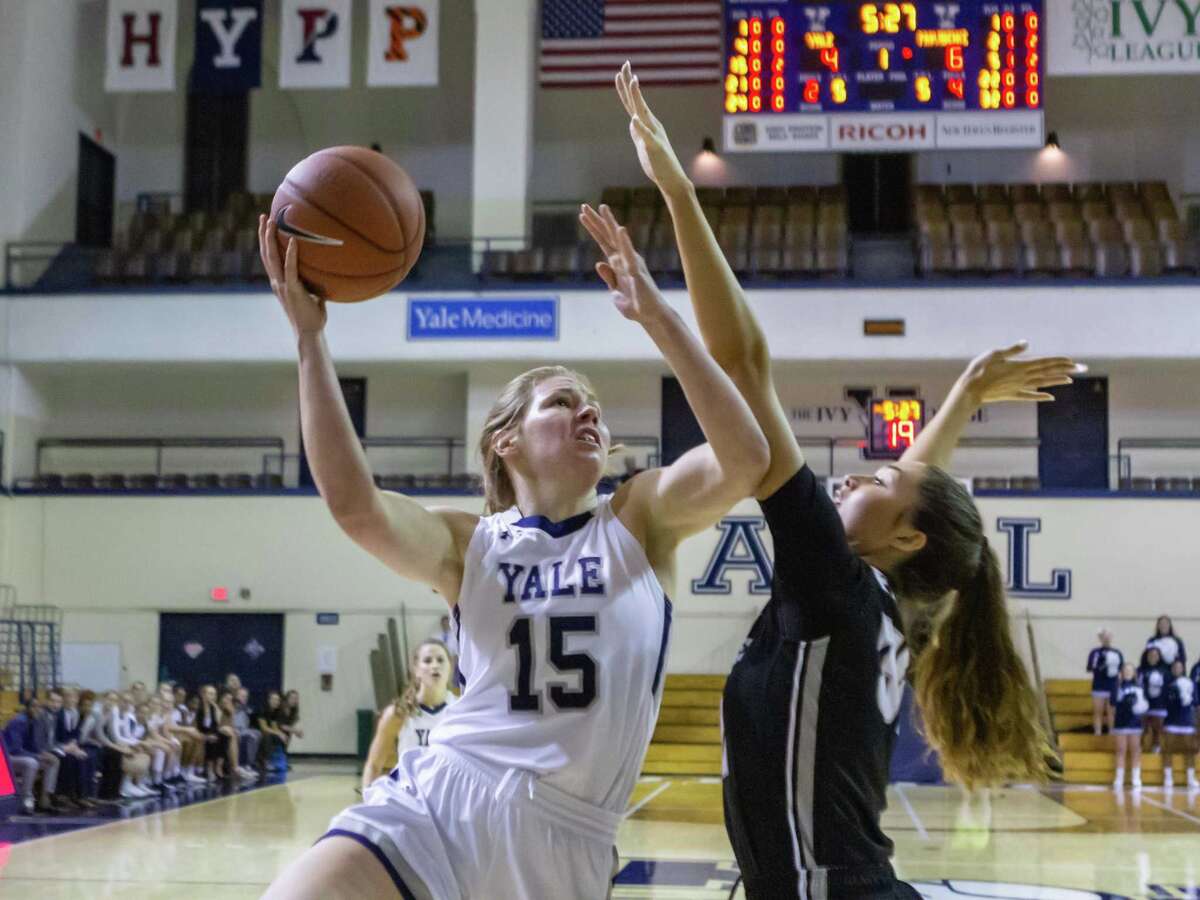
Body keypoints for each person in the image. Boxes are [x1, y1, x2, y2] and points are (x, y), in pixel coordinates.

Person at [600, 64, 1073, 899]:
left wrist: (677, 192)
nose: (855, 473)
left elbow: (745, 366)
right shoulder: (886, 605)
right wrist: (960, 395)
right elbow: (919, 493)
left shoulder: (839, 587)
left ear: (905, 539)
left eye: (877, 474)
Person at [257, 173, 769, 900]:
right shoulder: (470, 546)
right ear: (505, 440)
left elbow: (748, 459)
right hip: (441, 799)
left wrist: (657, 318)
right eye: (564, 402)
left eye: (594, 405)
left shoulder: (639, 519)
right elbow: (356, 508)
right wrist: (311, 341)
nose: (589, 413)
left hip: (565, 841)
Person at [361, 640, 456, 791]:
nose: (435, 665)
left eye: (440, 660)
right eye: (427, 661)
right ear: (416, 669)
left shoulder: (461, 711)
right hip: (410, 796)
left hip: (448, 797)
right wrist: (369, 800)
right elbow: (374, 765)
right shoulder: (398, 713)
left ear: (450, 667)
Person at [3, 698, 59, 814]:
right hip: (7, 758)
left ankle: (45, 798)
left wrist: (43, 753)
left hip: (22, 755)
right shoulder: (19, 721)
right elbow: (15, 749)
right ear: (27, 708)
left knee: (53, 761)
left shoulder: (34, 721)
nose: (37, 709)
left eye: (39, 707)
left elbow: (33, 745)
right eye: (34, 706)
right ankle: (25, 801)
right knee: (31, 763)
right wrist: (38, 756)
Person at [51, 687, 96, 808]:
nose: (71, 700)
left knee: (86, 756)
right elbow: (53, 737)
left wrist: (74, 746)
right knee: (69, 759)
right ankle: (64, 795)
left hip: (70, 746)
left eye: (74, 697)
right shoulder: (56, 714)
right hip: (56, 746)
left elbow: (75, 734)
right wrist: (67, 747)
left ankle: (83, 795)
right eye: (68, 696)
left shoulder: (76, 712)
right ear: (63, 698)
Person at [1112, 663, 1149, 790]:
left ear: (1134, 673)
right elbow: (1113, 702)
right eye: (1125, 670)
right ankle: (1119, 778)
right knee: (1121, 750)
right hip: (1121, 722)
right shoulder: (1117, 686)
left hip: (1134, 723)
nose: (1128, 672)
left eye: (1130, 670)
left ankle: (1136, 777)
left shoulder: (1139, 687)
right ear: (1121, 672)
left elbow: (1143, 705)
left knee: (1135, 750)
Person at [1162, 659, 1198, 791]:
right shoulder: (1168, 684)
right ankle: (1168, 777)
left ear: (1183, 669)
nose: (1177, 669)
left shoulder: (1190, 683)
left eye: (1180, 667)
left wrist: (1188, 698)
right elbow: (1164, 701)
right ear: (1172, 669)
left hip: (1186, 721)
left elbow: (1195, 702)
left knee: (1190, 750)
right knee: (1168, 749)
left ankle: (1190, 778)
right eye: (1175, 667)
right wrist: (1176, 696)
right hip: (1171, 721)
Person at [1086, 631, 1123, 735]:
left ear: (1111, 638)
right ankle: (1097, 733)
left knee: (1111, 712)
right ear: (1100, 639)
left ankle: (1111, 733)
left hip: (1112, 685)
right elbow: (1089, 668)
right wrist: (1101, 664)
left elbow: (1121, 669)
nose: (1106, 639)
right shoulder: (1095, 652)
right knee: (1098, 711)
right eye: (1103, 637)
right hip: (1099, 685)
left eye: (1108, 637)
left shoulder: (1117, 652)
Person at [1139, 646, 1169, 753]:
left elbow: (1167, 688)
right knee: (1142, 729)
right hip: (1143, 705)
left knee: (1158, 729)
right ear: (1146, 656)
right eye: (1150, 655)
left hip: (1159, 705)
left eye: (1156, 655)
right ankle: (1140, 749)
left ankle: (1156, 749)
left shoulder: (1165, 671)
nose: (1153, 657)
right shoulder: (1140, 670)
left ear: (1159, 657)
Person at [257, 690, 290, 772]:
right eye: (274, 699)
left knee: (283, 736)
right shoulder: (262, 709)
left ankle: (281, 761)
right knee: (268, 736)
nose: (276, 702)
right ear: (269, 700)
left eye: (278, 700)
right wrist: (278, 733)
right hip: (256, 730)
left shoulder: (275, 711)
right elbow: (263, 727)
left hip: (266, 731)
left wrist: (281, 734)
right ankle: (264, 761)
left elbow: (274, 726)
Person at [233, 686, 262, 779]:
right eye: (242, 696)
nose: (244, 698)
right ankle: (243, 764)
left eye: (246, 696)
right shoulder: (232, 707)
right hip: (234, 730)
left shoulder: (245, 709)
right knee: (250, 736)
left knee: (257, 733)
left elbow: (246, 724)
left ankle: (249, 764)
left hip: (243, 730)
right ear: (236, 696)